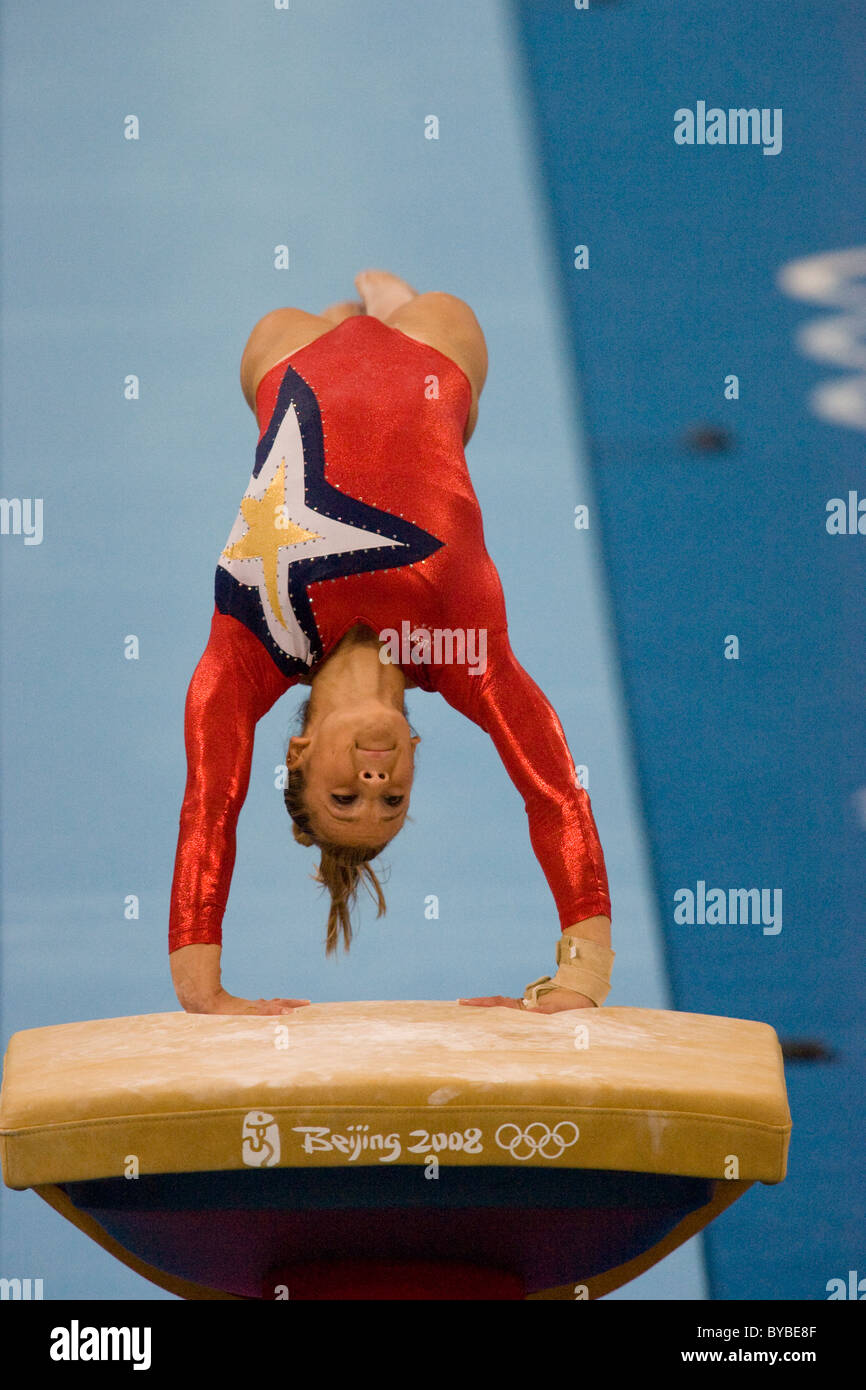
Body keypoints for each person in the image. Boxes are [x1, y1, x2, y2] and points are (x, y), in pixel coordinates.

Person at [168, 270, 613, 1016]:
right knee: (443, 316)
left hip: (289, 358)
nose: (374, 785)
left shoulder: (253, 645)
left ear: (298, 758)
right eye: (393, 798)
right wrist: (581, 979)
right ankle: (387, 309)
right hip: (431, 358)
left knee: (288, 325)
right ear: (413, 751)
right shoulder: (457, 652)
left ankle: (347, 313)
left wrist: (202, 991)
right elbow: (556, 792)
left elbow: (210, 802)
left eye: (345, 796)